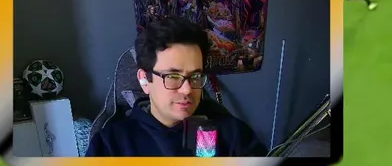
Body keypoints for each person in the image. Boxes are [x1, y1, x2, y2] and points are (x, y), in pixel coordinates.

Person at [86, 17, 267, 157]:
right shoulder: (110, 145)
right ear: (144, 80)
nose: (187, 90)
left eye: (195, 76)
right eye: (173, 76)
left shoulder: (233, 135)